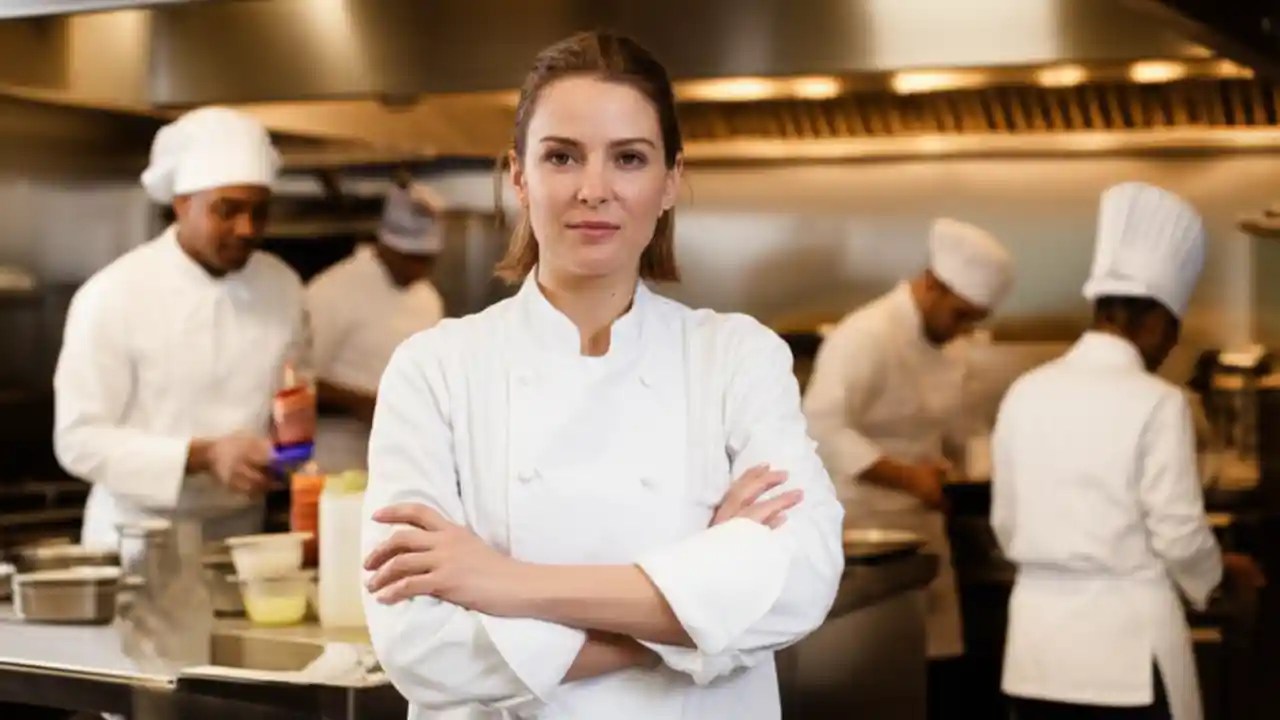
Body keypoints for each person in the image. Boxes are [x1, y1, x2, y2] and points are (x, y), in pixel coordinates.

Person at [359, 31, 844, 720]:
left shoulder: (738, 357)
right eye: (562, 156)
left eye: (629, 158)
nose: (594, 189)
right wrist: (698, 614)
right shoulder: (434, 370)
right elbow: (419, 647)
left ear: (671, 180)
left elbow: (800, 582)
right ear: (519, 177)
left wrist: (504, 583)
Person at [990, 181, 1265, 720]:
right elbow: (1179, 533)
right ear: (1159, 320)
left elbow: (1006, 522)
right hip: (1125, 662)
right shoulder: (1159, 401)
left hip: (1035, 656)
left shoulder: (1026, 390)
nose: (1168, 349)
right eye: (1172, 333)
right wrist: (1216, 577)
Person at [53, 106, 308, 549]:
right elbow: (77, 440)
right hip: (136, 538)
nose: (246, 228)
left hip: (240, 537)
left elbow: (293, 397)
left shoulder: (282, 287)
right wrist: (205, 455)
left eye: (259, 211)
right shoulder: (114, 294)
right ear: (181, 204)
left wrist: (290, 451)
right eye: (227, 211)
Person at [801, 218, 1014, 711]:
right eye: (960, 315)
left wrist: (984, 478)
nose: (964, 330)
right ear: (934, 284)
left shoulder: (952, 348)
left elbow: (968, 431)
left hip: (925, 527)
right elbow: (821, 428)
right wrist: (907, 477)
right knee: (879, 673)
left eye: (973, 320)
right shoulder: (865, 335)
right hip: (861, 533)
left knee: (935, 674)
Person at [306, 181, 446, 472]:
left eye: (427, 261)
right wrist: (365, 405)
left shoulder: (428, 299)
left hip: (402, 462)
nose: (419, 271)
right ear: (386, 245)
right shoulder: (332, 291)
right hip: (334, 463)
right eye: (410, 259)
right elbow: (295, 381)